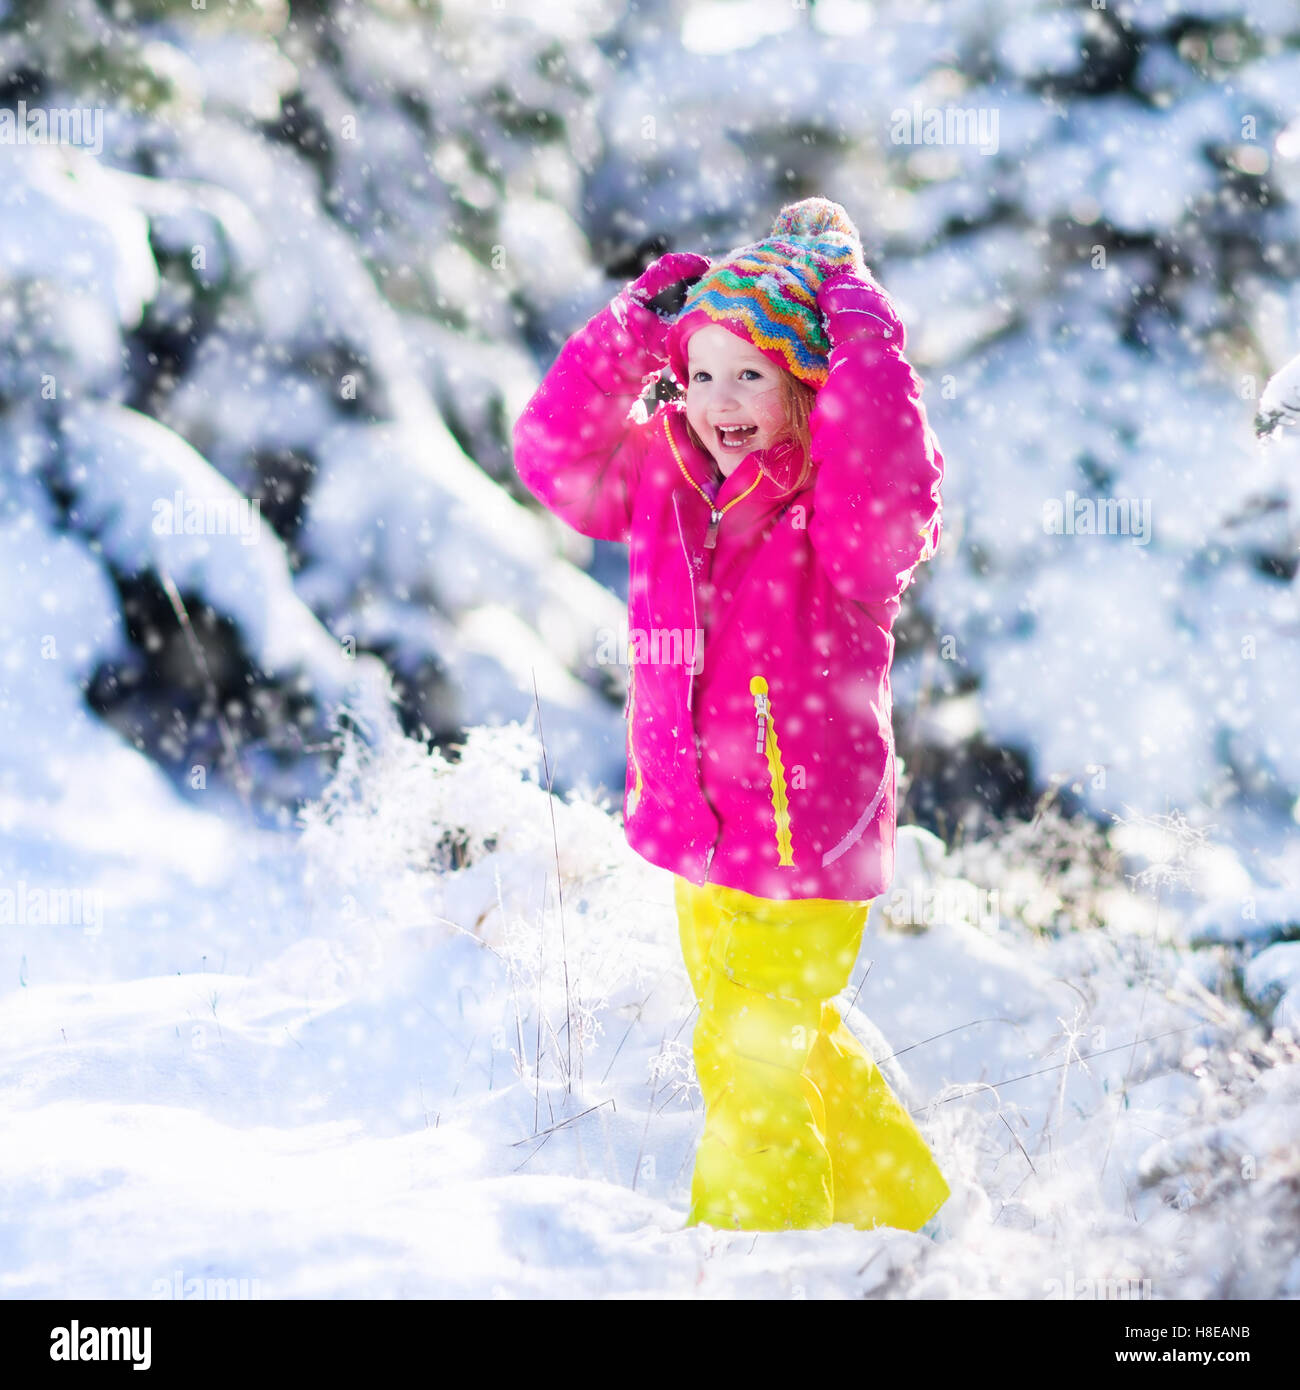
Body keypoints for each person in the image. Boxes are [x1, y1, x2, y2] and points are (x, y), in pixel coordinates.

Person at [513, 196, 950, 1233]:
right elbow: (552, 455)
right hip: (702, 829)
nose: (719, 397)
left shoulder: (836, 511)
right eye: (700, 371)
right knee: (786, 1045)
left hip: (808, 837)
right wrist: (629, 330)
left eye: (750, 371)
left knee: (746, 1061)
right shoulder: (663, 474)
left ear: (808, 385)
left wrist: (861, 331)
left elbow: (886, 487)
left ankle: (759, 1260)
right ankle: (908, 1220)